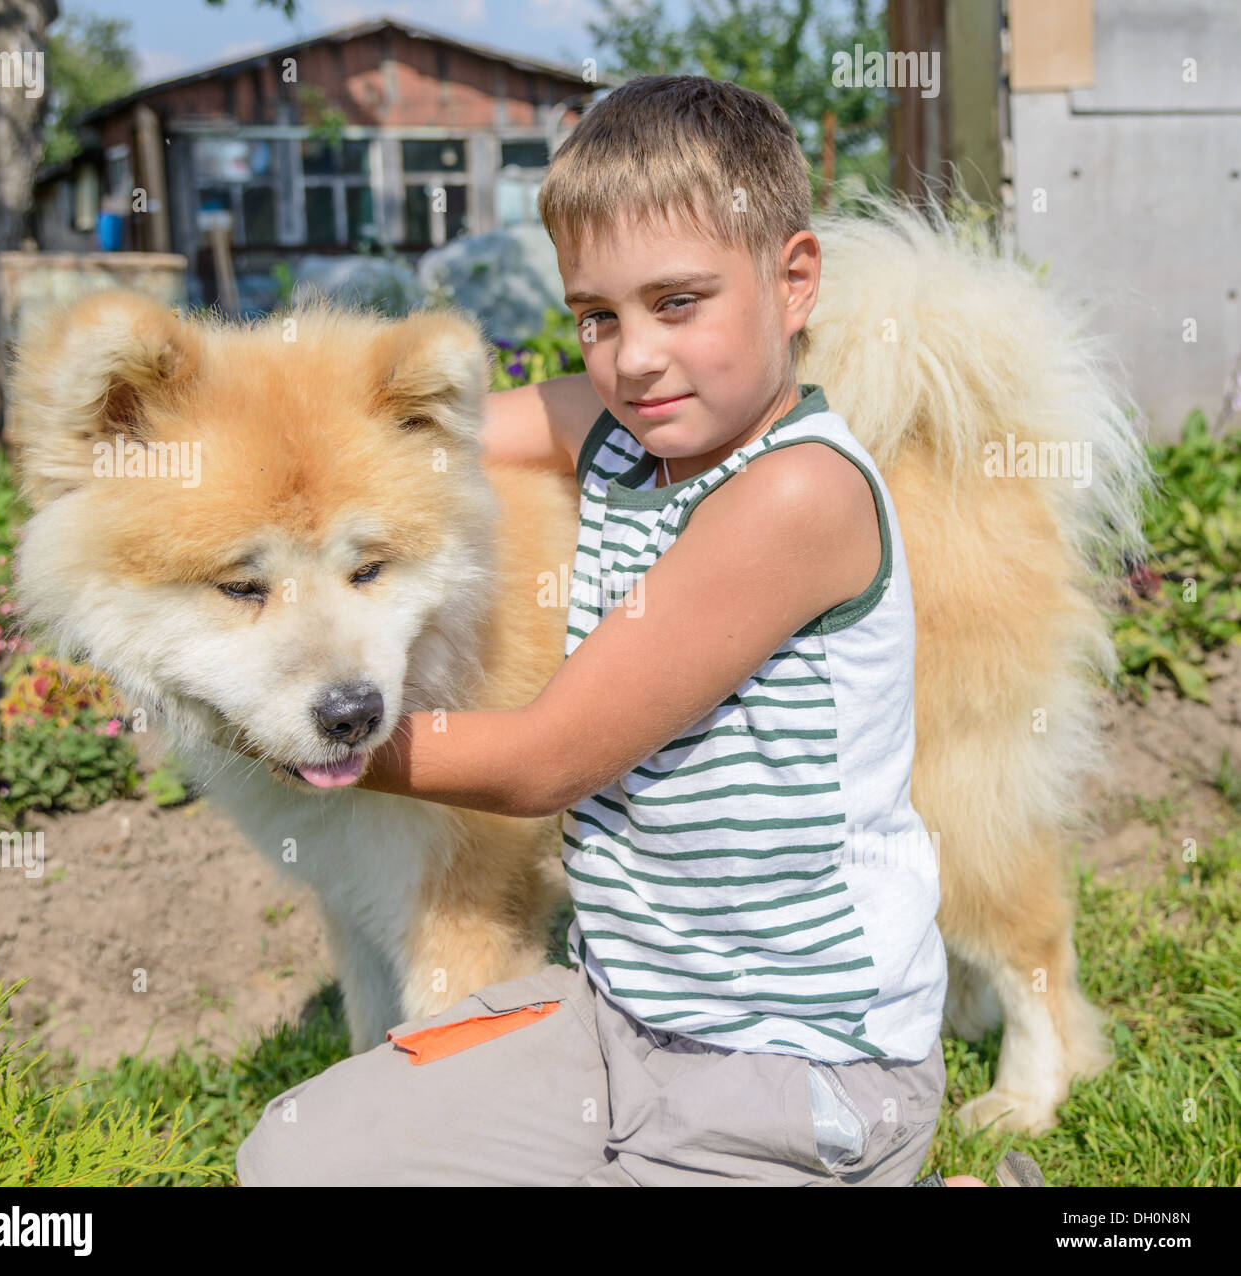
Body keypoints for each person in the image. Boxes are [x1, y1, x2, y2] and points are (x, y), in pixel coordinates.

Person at [236, 74, 1017, 1187]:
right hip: (624, 1022)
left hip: (801, 1074)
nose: (635, 354)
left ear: (794, 280)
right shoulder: (615, 430)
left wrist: (286, 723)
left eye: (678, 301)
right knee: (291, 1160)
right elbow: (393, 443)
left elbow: (550, 760)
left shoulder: (799, 496)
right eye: (596, 316)